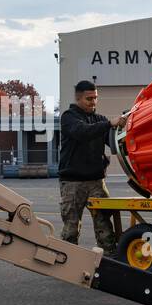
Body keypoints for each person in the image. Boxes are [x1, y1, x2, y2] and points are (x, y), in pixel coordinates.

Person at [58, 80, 124, 253]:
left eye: (95, 98)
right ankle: (68, 261)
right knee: (71, 228)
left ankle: (109, 259)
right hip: (72, 183)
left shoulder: (99, 120)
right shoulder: (68, 117)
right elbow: (83, 132)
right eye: (89, 99)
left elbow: (114, 143)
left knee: (104, 226)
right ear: (78, 99)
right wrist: (110, 124)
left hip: (96, 182)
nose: (93, 102)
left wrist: (124, 130)